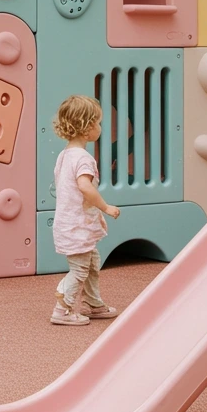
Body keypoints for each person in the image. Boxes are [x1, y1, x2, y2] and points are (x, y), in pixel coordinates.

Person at [50, 94, 120, 326]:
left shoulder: (64, 156)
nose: (100, 127)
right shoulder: (84, 159)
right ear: (87, 128)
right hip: (77, 226)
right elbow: (84, 187)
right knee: (80, 270)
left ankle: (93, 303)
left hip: (70, 223)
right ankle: (63, 308)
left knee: (91, 263)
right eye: (98, 122)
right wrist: (105, 206)